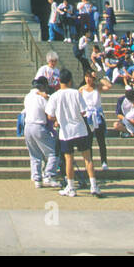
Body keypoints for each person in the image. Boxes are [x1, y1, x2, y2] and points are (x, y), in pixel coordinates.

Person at [46, 68, 100, 197]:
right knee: (87, 158)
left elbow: (49, 116)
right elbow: (83, 111)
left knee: (69, 159)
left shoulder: (55, 96)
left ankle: (71, 187)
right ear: (70, 81)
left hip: (66, 131)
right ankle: (93, 185)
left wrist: (59, 118)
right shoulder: (76, 93)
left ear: (59, 81)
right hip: (80, 129)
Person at [23, 77, 60, 188]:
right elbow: (49, 112)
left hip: (27, 126)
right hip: (38, 126)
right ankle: (49, 175)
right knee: (53, 152)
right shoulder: (41, 98)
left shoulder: (27, 96)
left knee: (34, 154)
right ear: (43, 86)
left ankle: (37, 178)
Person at [79, 68, 111, 171]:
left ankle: (104, 162)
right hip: (87, 116)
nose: (88, 79)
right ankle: (90, 162)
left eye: (90, 77)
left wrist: (99, 77)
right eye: (86, 77)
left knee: (101, 140)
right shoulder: (81, 89)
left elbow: (109, 86)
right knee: (88, 141)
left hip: (97, 115)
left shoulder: (97, 87)